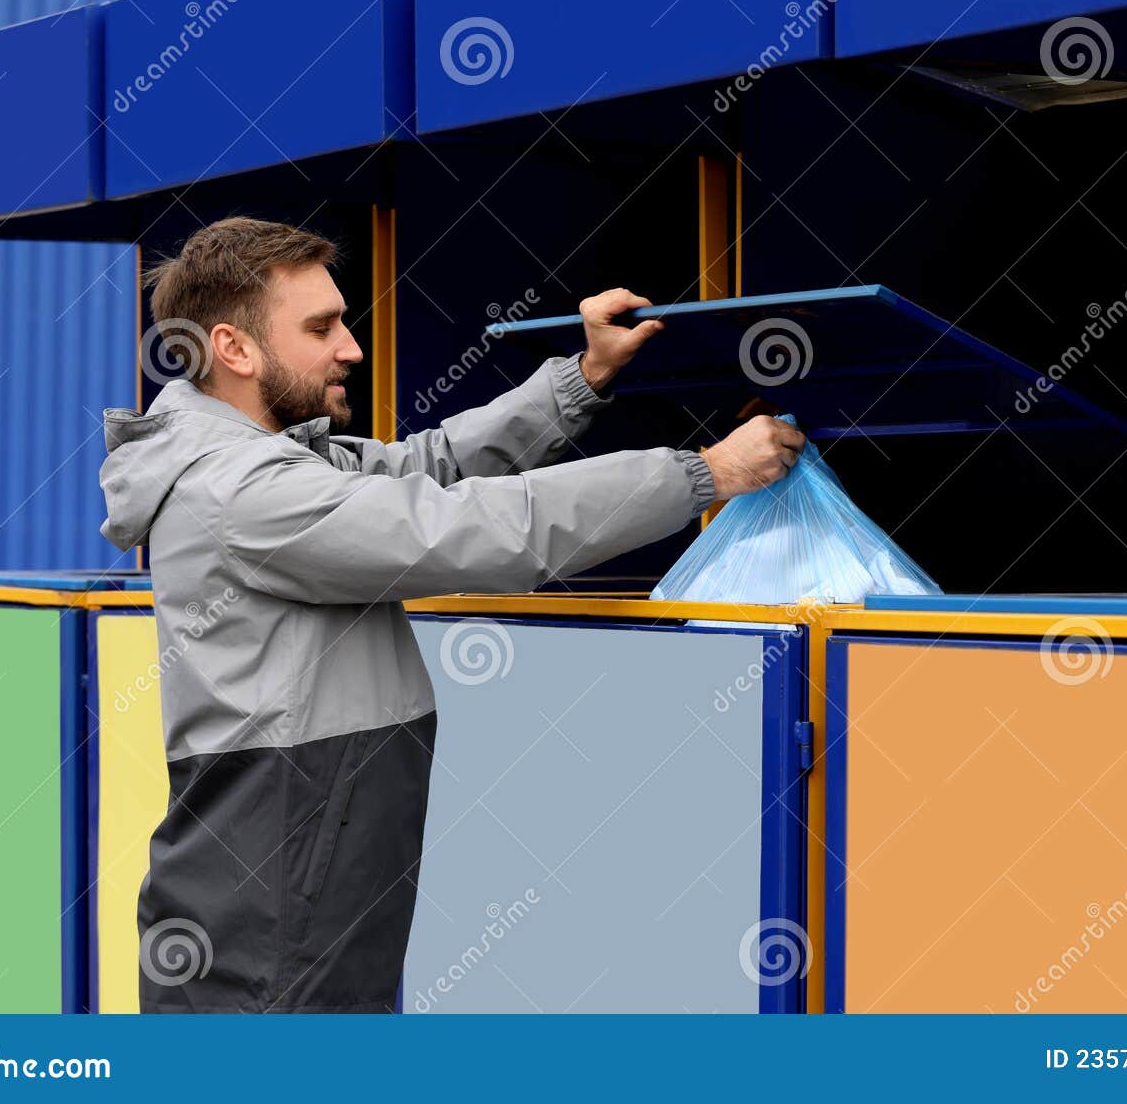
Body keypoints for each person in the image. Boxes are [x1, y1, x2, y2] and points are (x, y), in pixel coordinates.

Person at [98, 217, 805, 1012]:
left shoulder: (271, 457)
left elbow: (422, 467)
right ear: (234, 349)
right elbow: (461, 528)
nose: (352, 347)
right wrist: (699, 473)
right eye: (321, 326)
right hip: (273, 892)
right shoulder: (242, 490)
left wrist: (580, 378)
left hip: (290, 870)